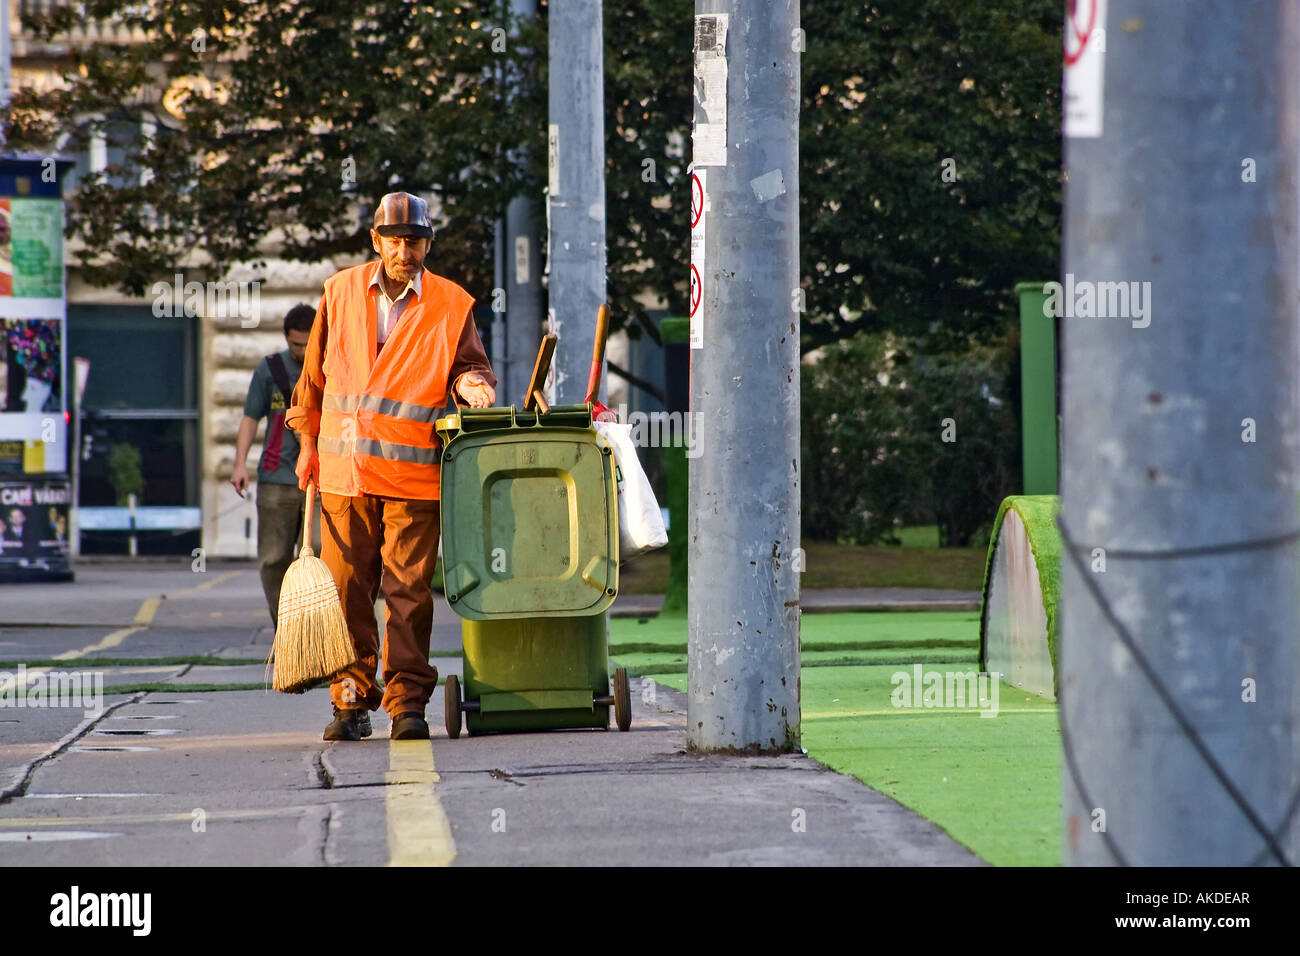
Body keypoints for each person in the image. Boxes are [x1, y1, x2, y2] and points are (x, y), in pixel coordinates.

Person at [286, 191, 497, 742]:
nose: (405, 250)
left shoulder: (452, 304)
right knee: (348, 590)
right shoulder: (340, 291)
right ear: (377, 241)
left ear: (428, 243)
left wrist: (471, 384)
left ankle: (407, 704)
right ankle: (351, 699)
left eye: (415, 240)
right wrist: (307, 445)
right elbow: (311, 380)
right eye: (394, 240)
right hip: (344, 475)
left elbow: (470, 366)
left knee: (407, 594)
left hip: (412, 479)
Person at [231, 303, 317, 630]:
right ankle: (288, 631)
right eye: (297, 345)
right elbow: (250, 418)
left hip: (320, 481)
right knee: (273, 559)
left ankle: (318, 628)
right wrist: (240, 464)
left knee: (322, 553)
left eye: (309, 344)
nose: (303, 351)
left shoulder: (329, 366)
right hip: (276, 479)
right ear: (286, 338)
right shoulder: (268, 370)